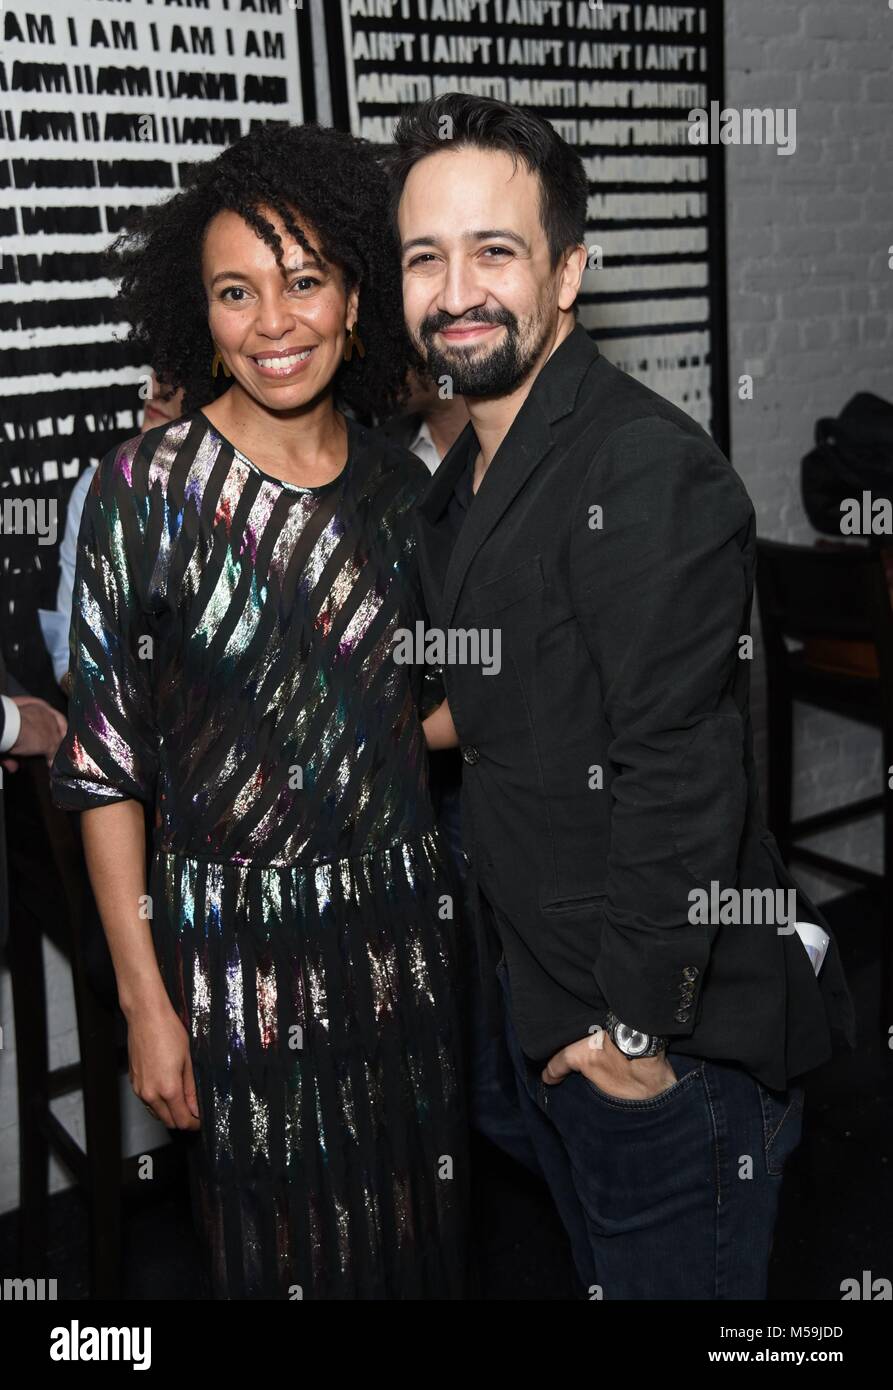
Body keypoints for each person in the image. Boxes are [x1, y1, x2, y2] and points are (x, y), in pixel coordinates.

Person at [390, 93, 857, 1300]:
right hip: (549, 1008)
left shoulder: (641, 469)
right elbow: (517, 705)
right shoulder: (478, 464)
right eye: (423, 257)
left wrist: (637, 1035)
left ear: (566, 274)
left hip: (664, 1052)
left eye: (493, 251)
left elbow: (680, 776)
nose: (455, 290)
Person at [50, 122, 467, 1300]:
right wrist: (146, 1001)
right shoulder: (146, 494)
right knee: (277, 1259)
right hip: (237, 969)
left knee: (416, 1244)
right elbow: (105, 770)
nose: (273, 323)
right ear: (201, 309)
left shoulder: (399, 490)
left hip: (399, 937)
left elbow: (416, 712)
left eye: (302, 282)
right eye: (237, 291)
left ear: (354, 296)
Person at [39, 375, 186, 688]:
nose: (157, 390)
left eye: (183, 377)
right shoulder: (101, 488)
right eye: (159, 368)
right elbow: (70, 655)